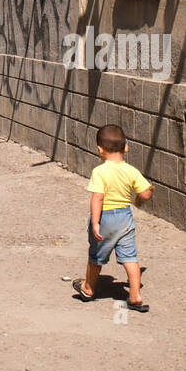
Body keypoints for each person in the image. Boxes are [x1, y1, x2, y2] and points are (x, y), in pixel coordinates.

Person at [73, 124, 152, 312]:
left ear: (100, 150)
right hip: (125, 217)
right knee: (130, 257)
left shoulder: (100, 171)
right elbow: (146, 193)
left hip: (106, 218)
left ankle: (88, 288)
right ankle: (135, 295)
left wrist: (95, 222)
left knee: (96, 256)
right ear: (126, 148)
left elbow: (98, 198)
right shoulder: (131, 171)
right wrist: (141, 195)